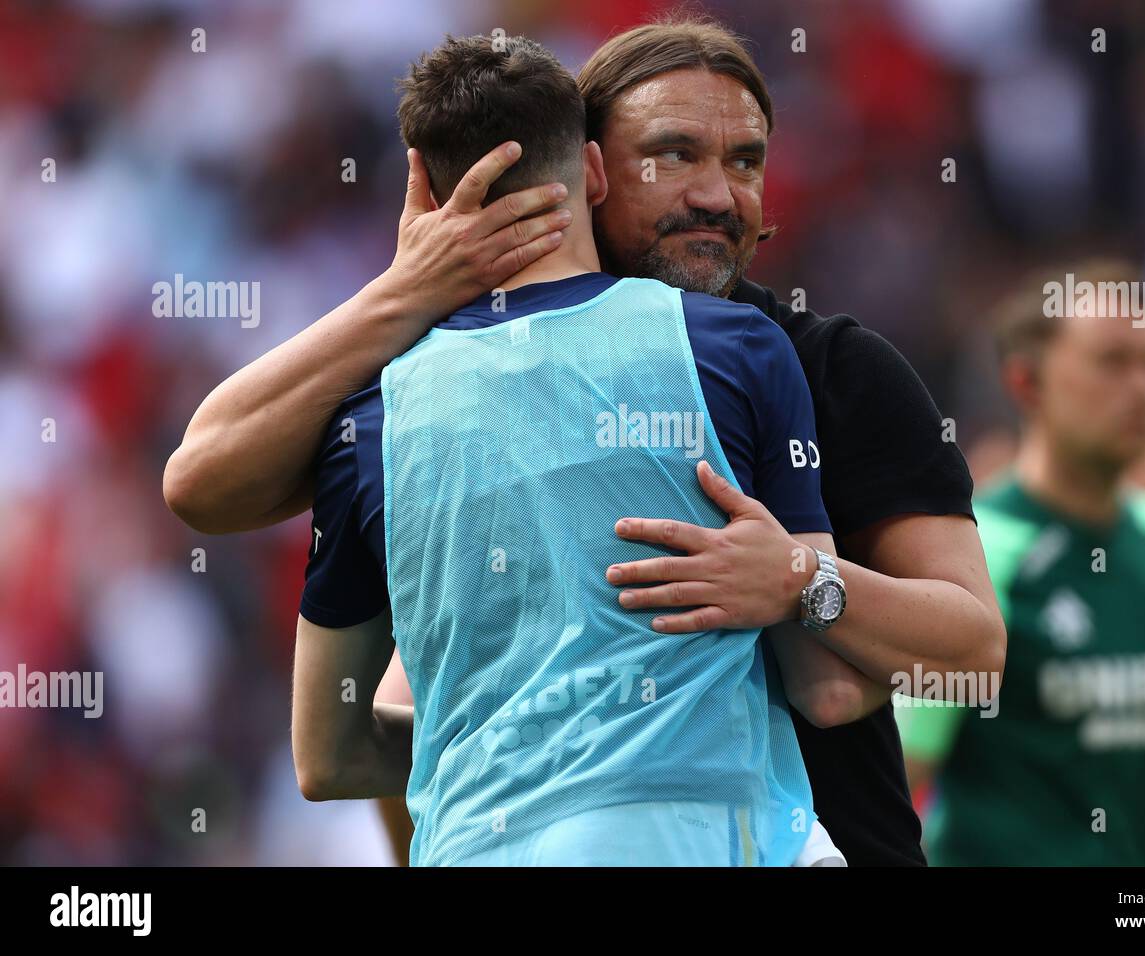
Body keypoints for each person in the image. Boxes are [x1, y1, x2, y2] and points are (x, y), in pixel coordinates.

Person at [165, 16, 1005, 867]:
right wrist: (402, 293)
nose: (718, 194)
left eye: (745, 160)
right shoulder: (434, 391)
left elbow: (974, 652)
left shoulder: (832, 366)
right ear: (590, 170)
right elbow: (203, 480)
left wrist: (801, 581)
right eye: (673, 155)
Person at [290, 32, 877, 867]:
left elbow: (324, 758)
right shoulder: (732, 346)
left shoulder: (366, 419)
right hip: (707, 837)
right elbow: (830, 683)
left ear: (422, 189)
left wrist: (498, 753)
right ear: (594, 174)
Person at [897, 261, 1145, 865]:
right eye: (1112, 362)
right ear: (1026, 382)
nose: (1143, 389)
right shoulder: (973, 553)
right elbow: (902, 773)